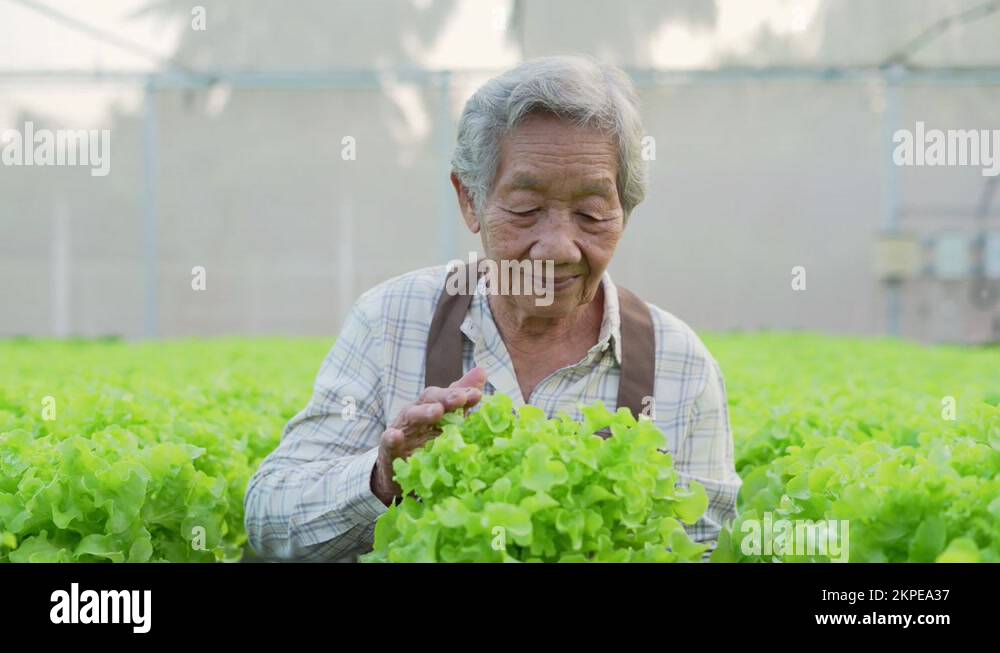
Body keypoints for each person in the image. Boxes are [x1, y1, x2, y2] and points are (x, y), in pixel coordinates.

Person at [244, 55, 741, 562]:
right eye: (527, 210)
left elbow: (704, 549)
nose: (558, 247)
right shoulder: (391, 321)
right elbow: (269, 516)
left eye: (591, 213)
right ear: (469, 201)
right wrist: (381, 478)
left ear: (624, 213)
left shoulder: (680, 366)